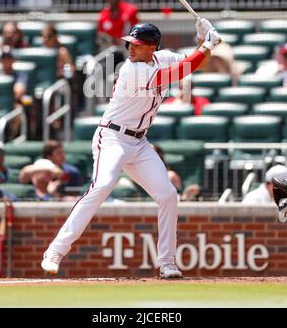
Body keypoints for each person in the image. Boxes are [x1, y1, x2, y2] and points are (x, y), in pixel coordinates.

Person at [41, 18, 221, 278]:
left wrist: (201, 41)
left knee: (168, 194)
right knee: (102, 186)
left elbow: (194, 64)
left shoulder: (163, 58)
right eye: (130, 43)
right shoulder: (131, 70)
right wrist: (206, 45)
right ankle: (55, 251)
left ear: (152, 48)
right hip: (112, 137)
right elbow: (179, 72)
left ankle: (167, 262)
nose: (131, 48)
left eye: (137, 44)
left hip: (139, 143)